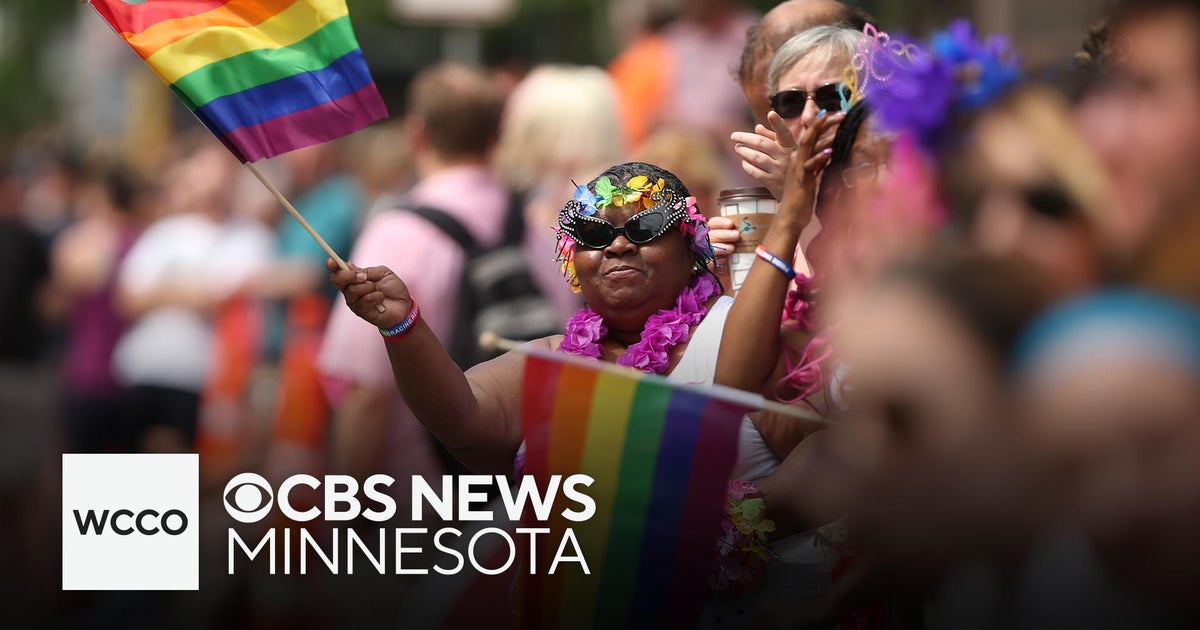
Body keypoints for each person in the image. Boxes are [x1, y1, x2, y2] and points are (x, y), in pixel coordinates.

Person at [318, 62, 507, 486]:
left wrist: (348, 501)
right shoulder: (536, 225)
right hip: (517, 484)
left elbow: (367, 390)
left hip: (419, 491)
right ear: (497, 134)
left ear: (416, 133)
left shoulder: (398, 231)